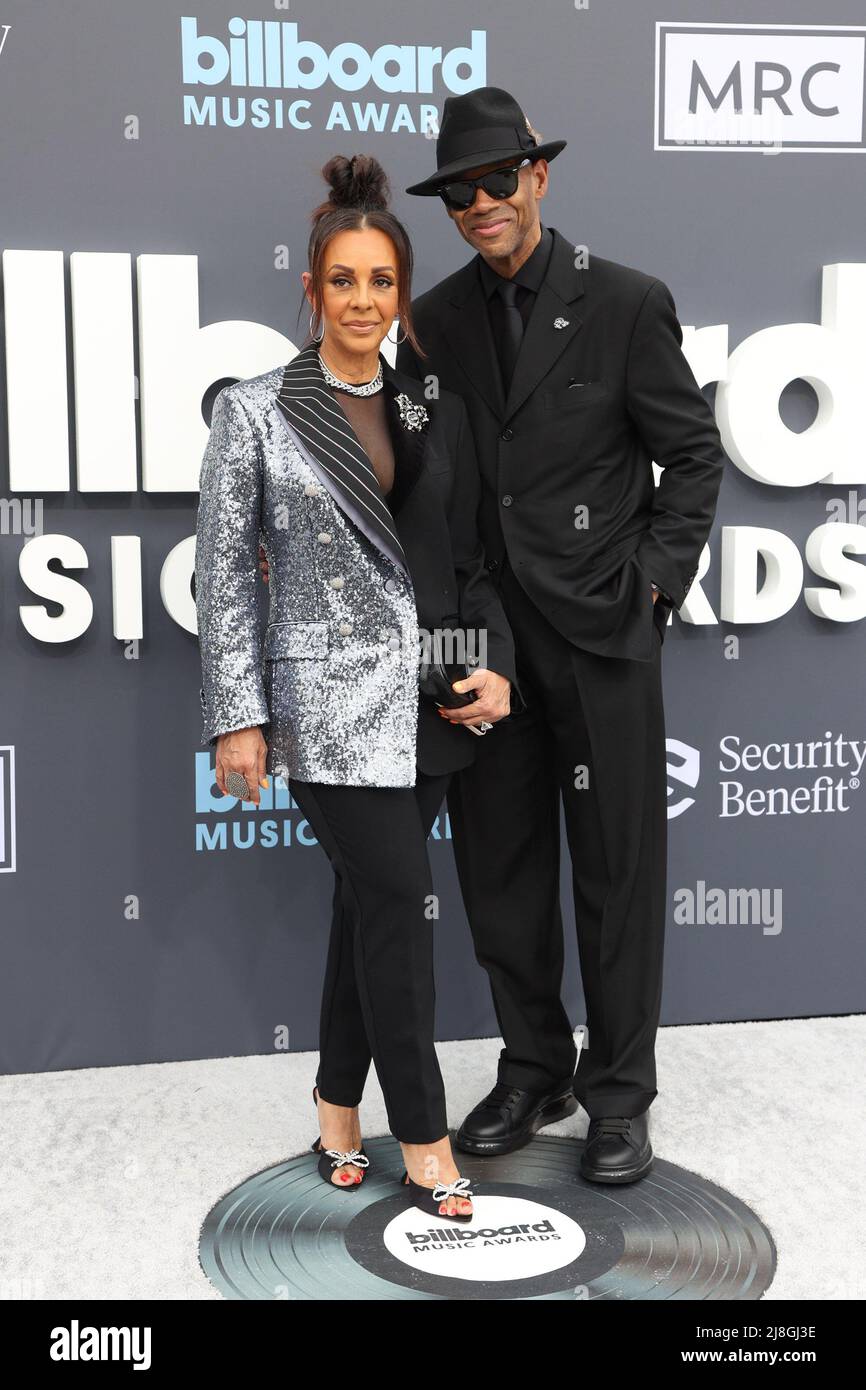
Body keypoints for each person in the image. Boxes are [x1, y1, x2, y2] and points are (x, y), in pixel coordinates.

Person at [396, 87, 726, 1182]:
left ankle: (618, 1096)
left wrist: (651, 590)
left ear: (538, 175)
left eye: (498, 179)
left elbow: (693, 457)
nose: (480, 203)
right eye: (459, 192)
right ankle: (534, 1068)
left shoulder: (626, 302)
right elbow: (436, 494)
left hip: (601, 638)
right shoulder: (432, 323)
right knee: (500, 871)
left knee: (617, 874)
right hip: (484, 645)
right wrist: (455, 639)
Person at [195, 153, 518, 1219]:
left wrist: (484, 664)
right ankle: (423, 1135)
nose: (364, 301)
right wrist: (238, 717)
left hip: (427, 706)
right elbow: (224, 576)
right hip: (326, 712)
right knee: (398, 907)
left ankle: (337, 1107)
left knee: (365, 908)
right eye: (344, 280)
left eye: (382, 281)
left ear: (400, 291)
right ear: (311, 287)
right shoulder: (256, 411)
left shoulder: (429, 400)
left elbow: (459, 559)